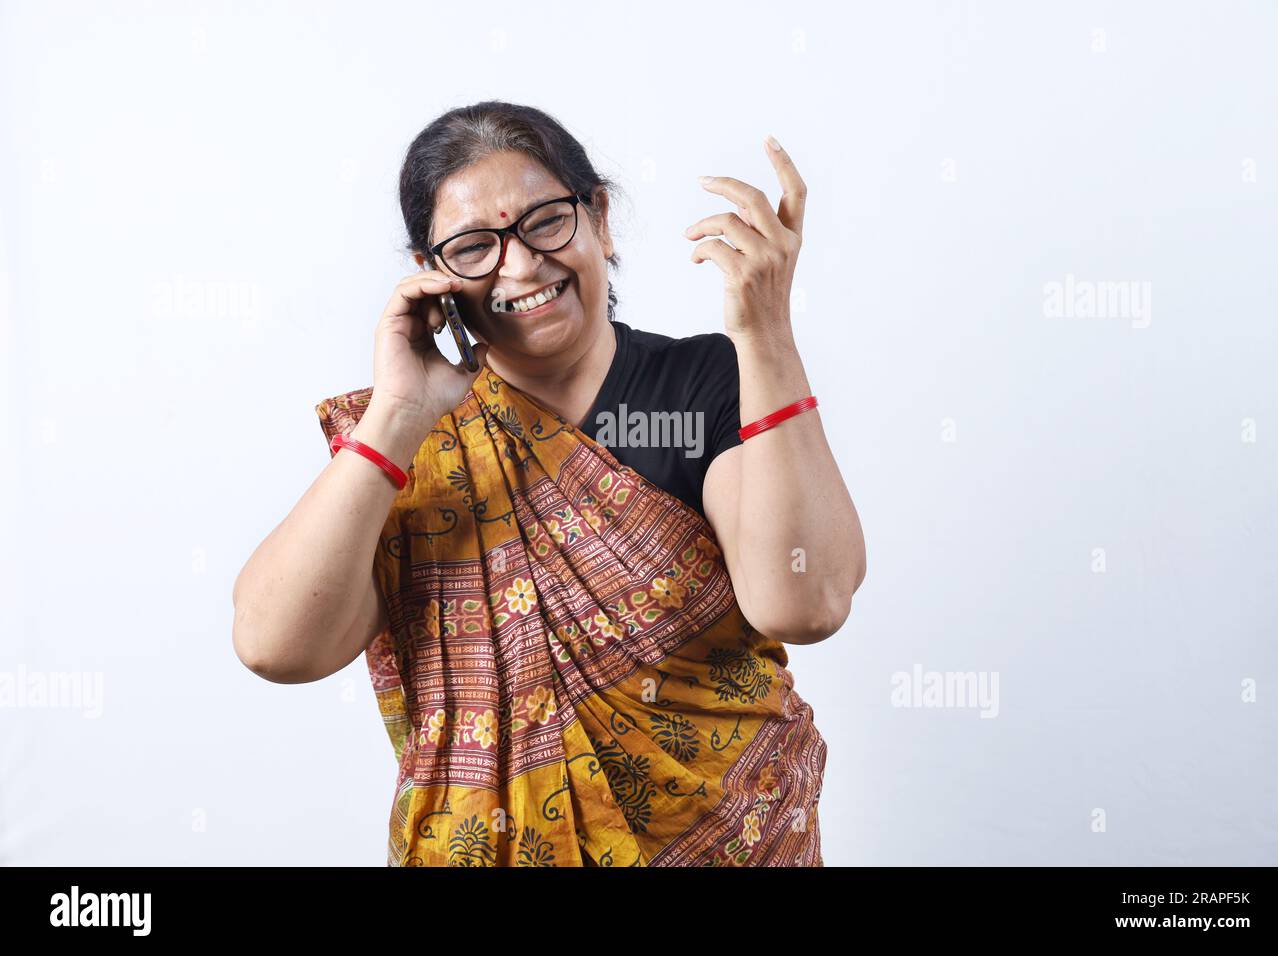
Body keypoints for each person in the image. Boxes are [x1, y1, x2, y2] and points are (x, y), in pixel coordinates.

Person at [232, 101, 866, 866]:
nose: (523, 265)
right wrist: (398, 416)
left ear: (598, 217)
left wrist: (767, 333)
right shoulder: (409, 444)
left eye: (545, 222)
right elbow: (274, 645)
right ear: (431, 274)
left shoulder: (708, 385)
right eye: (475, 246)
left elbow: (806, 602)